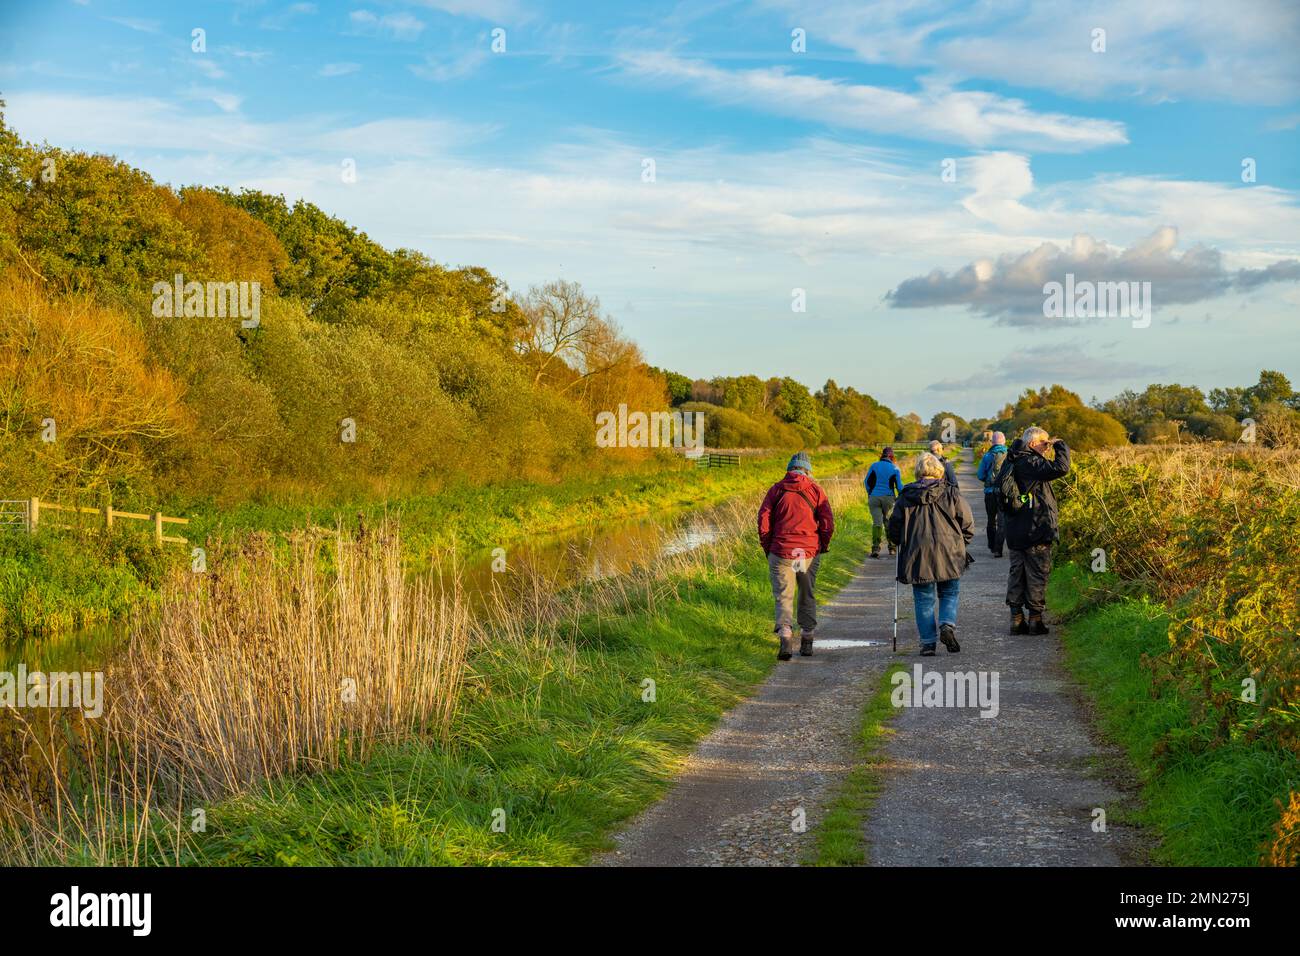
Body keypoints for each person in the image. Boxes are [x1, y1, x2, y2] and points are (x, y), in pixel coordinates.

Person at [887, 452, 974, 656]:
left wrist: (899, 541)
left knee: (924, 599)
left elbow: (894, 529)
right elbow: (967, 524)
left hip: (918, 555)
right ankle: (946, 625)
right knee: (949, 592)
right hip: (949, 552)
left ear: (918, 472)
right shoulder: (952, 493)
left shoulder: (906, 497)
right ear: (939, 471)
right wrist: (961, 544)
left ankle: (927, 643)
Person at [757, 451, 835, 660]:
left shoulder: (776, 490)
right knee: (806, 593)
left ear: (789, 468)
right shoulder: (816, 490)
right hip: (807, 553)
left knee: (784, 595)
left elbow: (763, 522)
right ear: (807, 470)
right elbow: (827, 523)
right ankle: (807, 639)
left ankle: (785, 637)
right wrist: (822, 545)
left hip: (781, 551)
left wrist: (769, 548)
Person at [1002, 427, 1071, 635]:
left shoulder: (1012, 459)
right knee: (1037, 573)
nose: (1047, 447)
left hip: (1015, 529)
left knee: (1017, 572)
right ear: (1032, 444)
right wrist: (1060, 445)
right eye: (1044, 443)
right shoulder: (1031, 462)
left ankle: (1016, 619)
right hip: (1035, 527)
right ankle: (1035, 620)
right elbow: (1062, 468)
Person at [864, 446, 903, 559]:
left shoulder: (874, 465)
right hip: (889, 498)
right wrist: (901, 496)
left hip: (874, 498)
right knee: (888, 522)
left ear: (882, 455)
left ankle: (875, 548)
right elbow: (899, 487)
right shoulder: (895, 468)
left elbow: (866, 482)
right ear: (892, 456)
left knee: (877, 523)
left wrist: (870, 493)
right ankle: (892, 548)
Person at [976, 431, 1009, 557]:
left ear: (992, 442)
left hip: (990, 493)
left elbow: (980, 475)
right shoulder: (1009, 454)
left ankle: (991, 545)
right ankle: (998, 549)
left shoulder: (987, 456)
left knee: (991, 520)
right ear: (1004, 441)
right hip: (1004, 492)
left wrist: (989, 481)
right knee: (1002, 521)